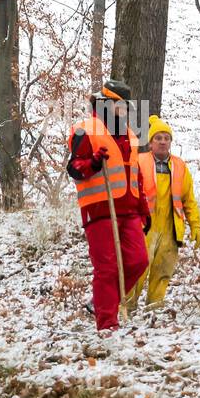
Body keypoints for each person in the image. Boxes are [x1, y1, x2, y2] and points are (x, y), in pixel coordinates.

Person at [66, 79, 150, 332]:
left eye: (126, 107)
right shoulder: (84, 130)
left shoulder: (131, 136)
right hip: (99, 209)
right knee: (107, 268)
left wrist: (144, 210)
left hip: (129, 209)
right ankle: (107, 324)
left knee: (138, 260)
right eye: (121, 106)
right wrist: (92, 163)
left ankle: (102, 300)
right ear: (107, 104)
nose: (125, 111)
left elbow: (136, 175)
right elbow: (74, 168)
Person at [128, 115, 200, 310]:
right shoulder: (138, 161)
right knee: (136, 270)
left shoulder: (180, 166)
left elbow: (189, 200)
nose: (162, 142)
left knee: (163, 272)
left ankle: (154, 310)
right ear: (150, 143)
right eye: (158, 138)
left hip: (171, 229)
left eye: (166, 138)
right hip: (144, 227)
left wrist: (195, 225)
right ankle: (127, 309)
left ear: (170, 142)